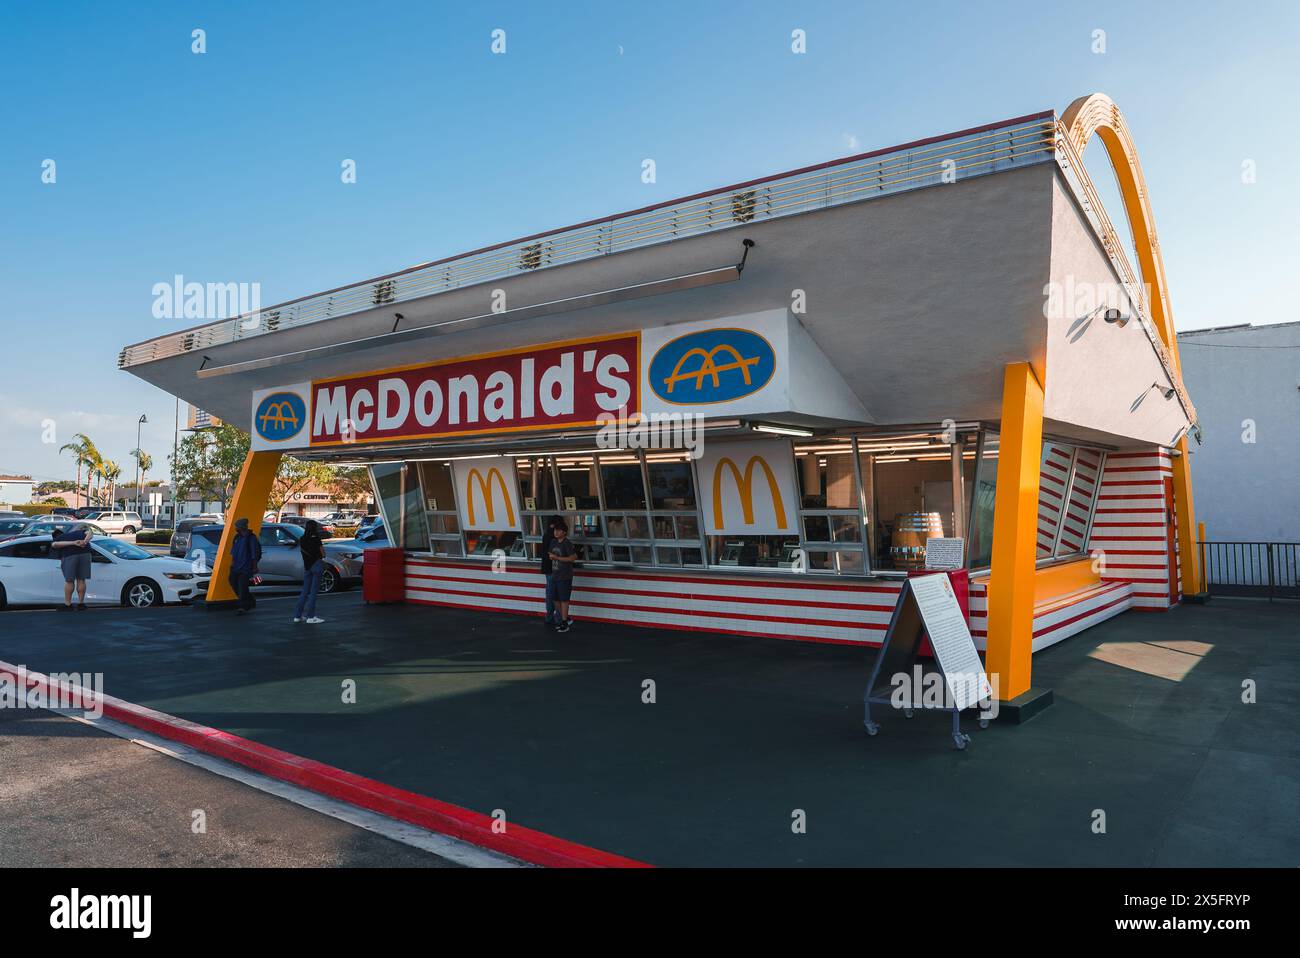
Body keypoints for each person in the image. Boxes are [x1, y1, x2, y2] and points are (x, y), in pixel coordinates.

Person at [50, 522, 93, 611]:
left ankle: (68, 605)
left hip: (70, 556)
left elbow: (54, 544)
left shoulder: (61, 537)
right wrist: (84, 542)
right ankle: (81, 604)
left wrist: (73, 543)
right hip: (85, 554)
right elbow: (90, 534)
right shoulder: (82, 532)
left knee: (69, 581)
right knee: (81, 579)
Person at [547, 520, 578, 633]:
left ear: (564, 532)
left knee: (564, 600)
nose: (556, 532)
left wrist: (558, 558)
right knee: (555, 599)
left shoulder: (567, 543)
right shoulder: (553, 542)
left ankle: (564, 622)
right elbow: (550, 553)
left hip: (565, 575)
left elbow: (573, 557)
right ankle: (566, 618)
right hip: (555, 574)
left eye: (558, 530)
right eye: (555, 530)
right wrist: (552, 557)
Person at [293, 519, 326, 624]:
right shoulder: (316, 538)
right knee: (313, 592)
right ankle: (311, 617)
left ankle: (298, 616)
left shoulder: (302, 539)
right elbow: (323, 553)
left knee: (305, 591)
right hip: (317, 565)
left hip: (307, 567)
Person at [228, 517, 262, 615]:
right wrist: (233, 563)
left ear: (242, 527)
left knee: (242, 585)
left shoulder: (251, 538)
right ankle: (249, 599)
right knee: (232, 581)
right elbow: (234, 552)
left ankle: (243, 606)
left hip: (246, 567)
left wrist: (254, 566)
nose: (236, 528)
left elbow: (254, 554)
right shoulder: (237, 537)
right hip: (236, 566)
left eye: (237, 526)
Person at [538, 514, 562, 629]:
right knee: (556, 594)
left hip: (547, 568)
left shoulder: (546, 534)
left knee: (550, 592)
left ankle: (549, 616)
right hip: (555, 568)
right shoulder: (555, 536)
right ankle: (559, 617)